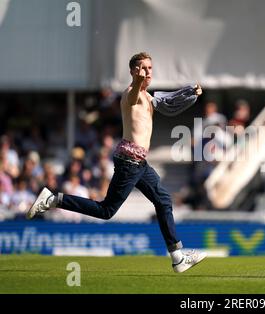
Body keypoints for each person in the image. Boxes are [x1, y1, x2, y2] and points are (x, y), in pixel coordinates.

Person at [27, 52, 207, 273]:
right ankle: (54, 199)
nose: (147, 72)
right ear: (133, 71)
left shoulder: (148, 97)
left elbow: (169, 101)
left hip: (140, 163)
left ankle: (178, 257)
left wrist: (191, 92)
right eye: (143, 68)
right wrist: (138, 79)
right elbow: (134, 96)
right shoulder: (130, 93)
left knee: (163, 200)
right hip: (129, 161)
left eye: (150, 68)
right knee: (106, 211)